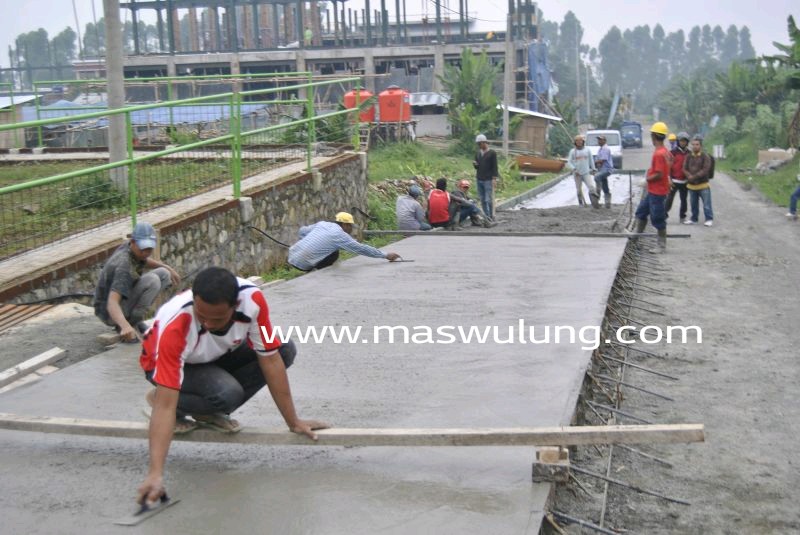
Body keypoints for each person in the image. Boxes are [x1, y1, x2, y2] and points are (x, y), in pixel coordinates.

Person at [136, 267, 328, 505]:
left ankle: (205, 408)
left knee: (283, 349)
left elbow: (270, 359)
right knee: (227, 394)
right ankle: (171, 401)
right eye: (202, 316)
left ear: (235, 305)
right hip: (163, 364)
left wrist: (294, 422)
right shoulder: (177, 325)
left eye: (217, 319)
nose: (207, 324)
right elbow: (166, 406)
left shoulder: (253, 300)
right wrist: (155, 474)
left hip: (212, 355)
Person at [93, 222, 180, 342]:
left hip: (118, 303)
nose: (146, 253)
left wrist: (167, 267)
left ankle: (135, 321)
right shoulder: (124, 266)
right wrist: (125, 327)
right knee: (153, 281)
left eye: (149, 249)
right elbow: (112, 302)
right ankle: (130, 323)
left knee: (164, 273)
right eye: (143, 249)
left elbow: (144, 260)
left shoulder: (130, 248)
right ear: (133, 242)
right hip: (108, 313)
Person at [287, 212, 400, 271]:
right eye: (350, 226)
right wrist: (385, 255)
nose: (351, 229)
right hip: (304, 265)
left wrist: (307, 242)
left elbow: (302, 231)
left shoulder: (322, 224)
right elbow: (361, 249)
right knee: (335, 253)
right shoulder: (340, 235)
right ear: (345, 225)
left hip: (291, 256)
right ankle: (321, 272)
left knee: (332, 249)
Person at [631, 122, 672, 253]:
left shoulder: (659, 154)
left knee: (657, 218)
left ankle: (661, 245)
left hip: (658, 192)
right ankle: (636, 236)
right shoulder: (665, 151)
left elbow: (659, 173)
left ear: (654, 136)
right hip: (654, 190)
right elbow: (667, 166)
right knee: (641, 212)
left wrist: (646, 180)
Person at [683, 135, 714, 227]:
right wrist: (688, 175)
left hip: (703, 185)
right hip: (692, 186)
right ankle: (694, 219)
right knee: (693, 204)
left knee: (706, 204)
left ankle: (709, 219)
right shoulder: (688, 156)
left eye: (697, 144)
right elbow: (684, 168)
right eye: (693, 144)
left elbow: (705, 169)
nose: (695, 146)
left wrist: (694, 177)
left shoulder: (705, 156)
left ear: (701, 146)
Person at [567, 134, 599, 208]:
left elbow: (591, 160)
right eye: (577, 141)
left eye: (580, 141)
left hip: (586, 172)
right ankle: (580, 203)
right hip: (577, 174)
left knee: (591, 187)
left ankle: (594, 202)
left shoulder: (587, 150)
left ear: (583, 141)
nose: (579, 142)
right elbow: (569, 162)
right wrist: (574, 169)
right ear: (575, 142)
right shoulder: (573, 151)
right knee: (579, 189)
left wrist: (593, 169)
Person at [666, 132, 691, 222]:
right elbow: (668, 167)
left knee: (684, 200)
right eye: (681, 141)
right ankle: (664, 215)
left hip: (685, 181)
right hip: (674, 180)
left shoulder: (689, 153)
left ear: (687, 142)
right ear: (678, 141)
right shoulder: (673, 152)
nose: (683, 143)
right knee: (669, 199)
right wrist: (669, 178)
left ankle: (682, 216)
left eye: (684, 141)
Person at [473, 134, 499, 220]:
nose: (479, 145)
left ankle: (491, 215)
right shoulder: (478, 153)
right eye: (478, 144)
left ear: (484, 142)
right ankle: (486, 216)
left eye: (480, 144)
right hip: (479, 178)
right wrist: (475, 165)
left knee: (488, 199)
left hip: (488, 179)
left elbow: (495, 166)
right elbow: (477, 166)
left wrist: (494, 179)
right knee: (482, 199)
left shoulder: (492, 153)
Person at [593, 134, 614, 208]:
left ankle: (597, 195)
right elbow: (598, 161)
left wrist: (593, 163)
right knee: (605, 185)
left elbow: (602, 160)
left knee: (597, 177)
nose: (599, 141)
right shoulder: (600, 149)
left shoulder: (605, 149)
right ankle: (607, 203)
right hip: (602, 169)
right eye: (598, 140)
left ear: (605, 141)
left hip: (607, 169)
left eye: (601, 140)